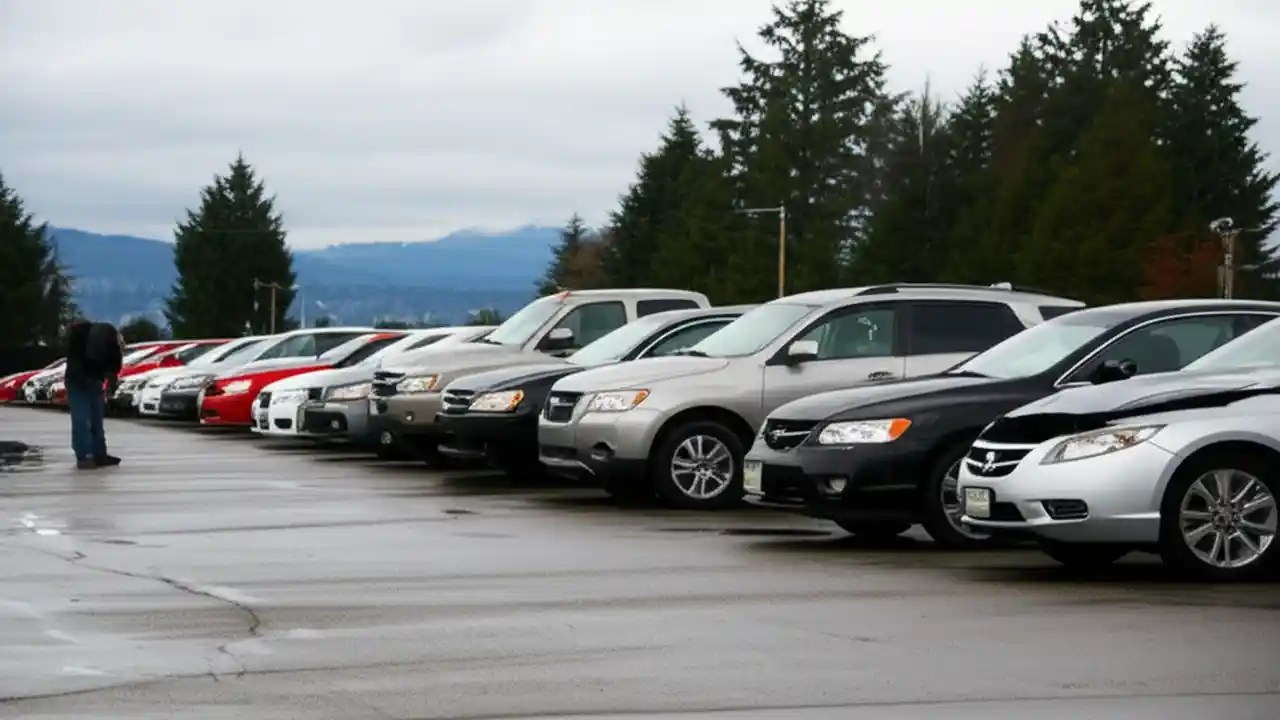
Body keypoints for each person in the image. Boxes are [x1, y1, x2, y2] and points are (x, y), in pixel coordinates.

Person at [64, 318, 123, 469]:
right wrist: (111, 383)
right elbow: (113, 365)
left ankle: (88, 455)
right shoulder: (108, 339)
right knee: (91, 419)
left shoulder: (80, 338)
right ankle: (93, 455)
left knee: (83, 419)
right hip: (85, 380)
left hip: (80, 380)